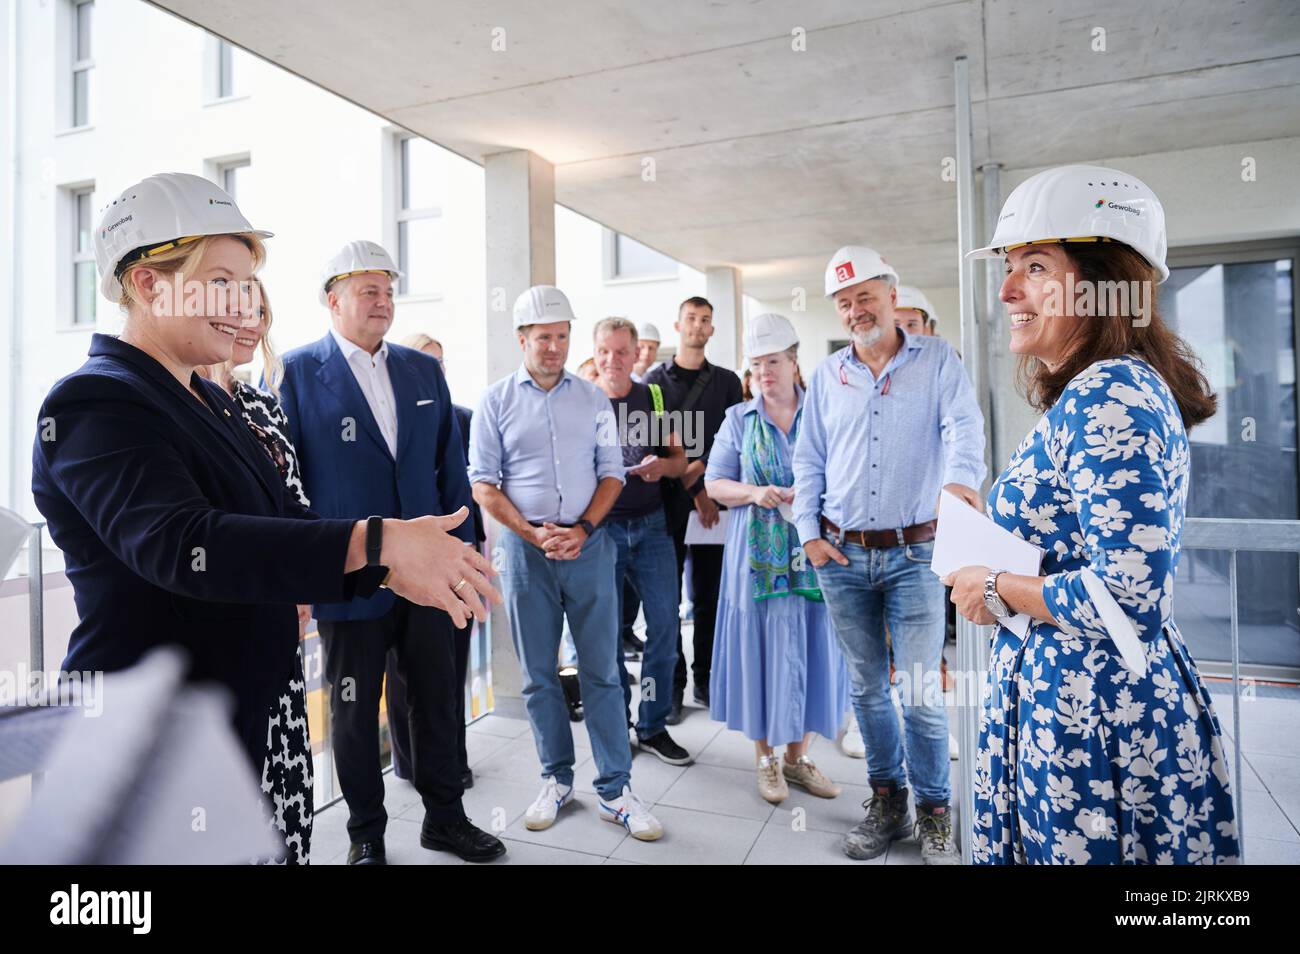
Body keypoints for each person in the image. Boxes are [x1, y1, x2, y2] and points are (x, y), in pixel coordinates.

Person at [32, 172, 498, 865]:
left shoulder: (211, 404)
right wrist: (379, 539)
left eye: (246, 282)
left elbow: (288, 519)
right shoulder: (96, 403)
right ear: (149, 285)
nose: (242, 301)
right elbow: (185, 544)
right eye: (220, 280)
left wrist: (388, 569)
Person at [948, 164, 1239, 864]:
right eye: (1010, 267)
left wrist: (996, 587)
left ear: (1106, 281)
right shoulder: (1093, 392)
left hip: (1097, 721)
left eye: (1035, 267)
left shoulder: (1113, 393)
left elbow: (1129, 597)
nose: (1008, 289)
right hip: (1075, 709)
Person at [278, 240, 505, 864]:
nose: (382, 302)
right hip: (350, 575)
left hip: (431, 571)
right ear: (333, 300)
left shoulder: (422, 370)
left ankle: (446, 820)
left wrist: (459, 560)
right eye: (367, 291)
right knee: (353, 713)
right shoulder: (295, 373)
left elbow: (450, 475)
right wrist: (301, 574)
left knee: (437, 698)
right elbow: (287, 484)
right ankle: (366, 836)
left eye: (387, 290)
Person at [792, 245, 986, 864]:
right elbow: (809, 460)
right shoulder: (826, 377)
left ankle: (935, 811)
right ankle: (888, 804)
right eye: (844, 302)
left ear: (892, 297)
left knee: (922, 689)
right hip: (842, 558)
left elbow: (964, 427)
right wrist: (808, 534)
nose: (855, 310)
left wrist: (959, 485)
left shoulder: (937, 362)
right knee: (868, 690)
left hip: (914, 554)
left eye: (866, 297)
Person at [470, 285, 664, 841]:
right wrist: (533, 533)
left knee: (602, 672)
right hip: (525, 553)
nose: (553, 347)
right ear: (522, 340)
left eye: (561, 336)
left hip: (589, 546)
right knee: (538, 677)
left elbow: (612, 473)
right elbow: (483, 484)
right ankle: (556, 779)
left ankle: (615, 790)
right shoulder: (496, 401)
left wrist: (581, 529)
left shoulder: (593, 399)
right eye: (542, 337)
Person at [705, 313, 849, 804]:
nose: (764, 372)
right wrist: (755, 491)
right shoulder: (737, 420)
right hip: (756, 558)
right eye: (756, 364)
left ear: (793, 363)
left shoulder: (824, 413)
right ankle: (765, 758)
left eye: (773, 361)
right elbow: (714, 483)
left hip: (813, 551)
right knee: (761, 651)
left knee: (812, 644)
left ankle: (797, 757)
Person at [198, 278, 314, 862]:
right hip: (217, 628)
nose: (253, 323)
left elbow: (293, 506)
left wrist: (304, 585)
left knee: (283, 796)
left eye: (261, 312)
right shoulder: (175, 406)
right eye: (239, 310)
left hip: (277, 624)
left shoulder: (264, 403)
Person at [591, 317, 692, 765]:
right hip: (602, 529)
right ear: (594, 354)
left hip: (652, 526)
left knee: (665, 627)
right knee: (607, 634)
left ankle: (652, 726)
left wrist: (660, 467)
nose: (613, 360)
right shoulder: (580, 400)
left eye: (621, 352)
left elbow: (680, 459)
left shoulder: (656, 395)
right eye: (604, 352)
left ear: (637, 355)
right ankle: (617, 727)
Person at [646, 297, 745, 723]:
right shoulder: (653, 382)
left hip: (715, 509)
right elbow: (654, 445)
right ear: (677, 324)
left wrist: (703, 480)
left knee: (709, 599)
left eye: (706, 319)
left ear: (712, 329)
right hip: (666, 508)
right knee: (665, 605)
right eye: (691, 318)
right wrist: (695, 486)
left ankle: (707, 677)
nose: (698, 325)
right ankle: (672, 687)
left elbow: (734, 442)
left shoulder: (727, 382)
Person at [390, 332, 481, 790]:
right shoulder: (391, 422)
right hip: (400, 565)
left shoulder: (462, 418)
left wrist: (470, 556)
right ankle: (407, 763)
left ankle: (453, 759)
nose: (434, 372)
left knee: (451, 667)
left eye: (440, 363)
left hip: (454, 559)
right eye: (426, 363)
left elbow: (467, 493)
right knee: (404, 673)